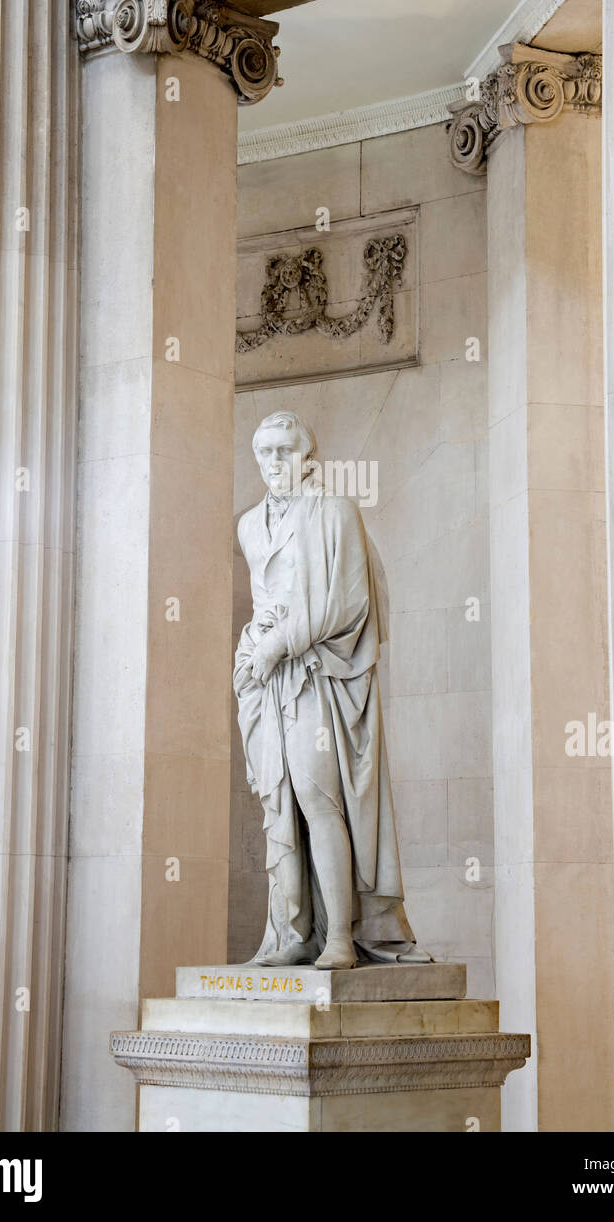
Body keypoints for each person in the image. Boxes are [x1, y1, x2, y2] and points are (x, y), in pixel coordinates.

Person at [233, 410, 430, 970]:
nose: (275, 462)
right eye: (266, 452)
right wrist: (256, 649)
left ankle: (340, 935)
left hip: (321, 674)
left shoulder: (336, 513)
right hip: (270, 682)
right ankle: (293, 931)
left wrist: (282, 643)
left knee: (321, 801)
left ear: (306, 457)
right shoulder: (249, 525)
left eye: (285, 451)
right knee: (283, 805)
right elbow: (264, 603)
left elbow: (349, 601)